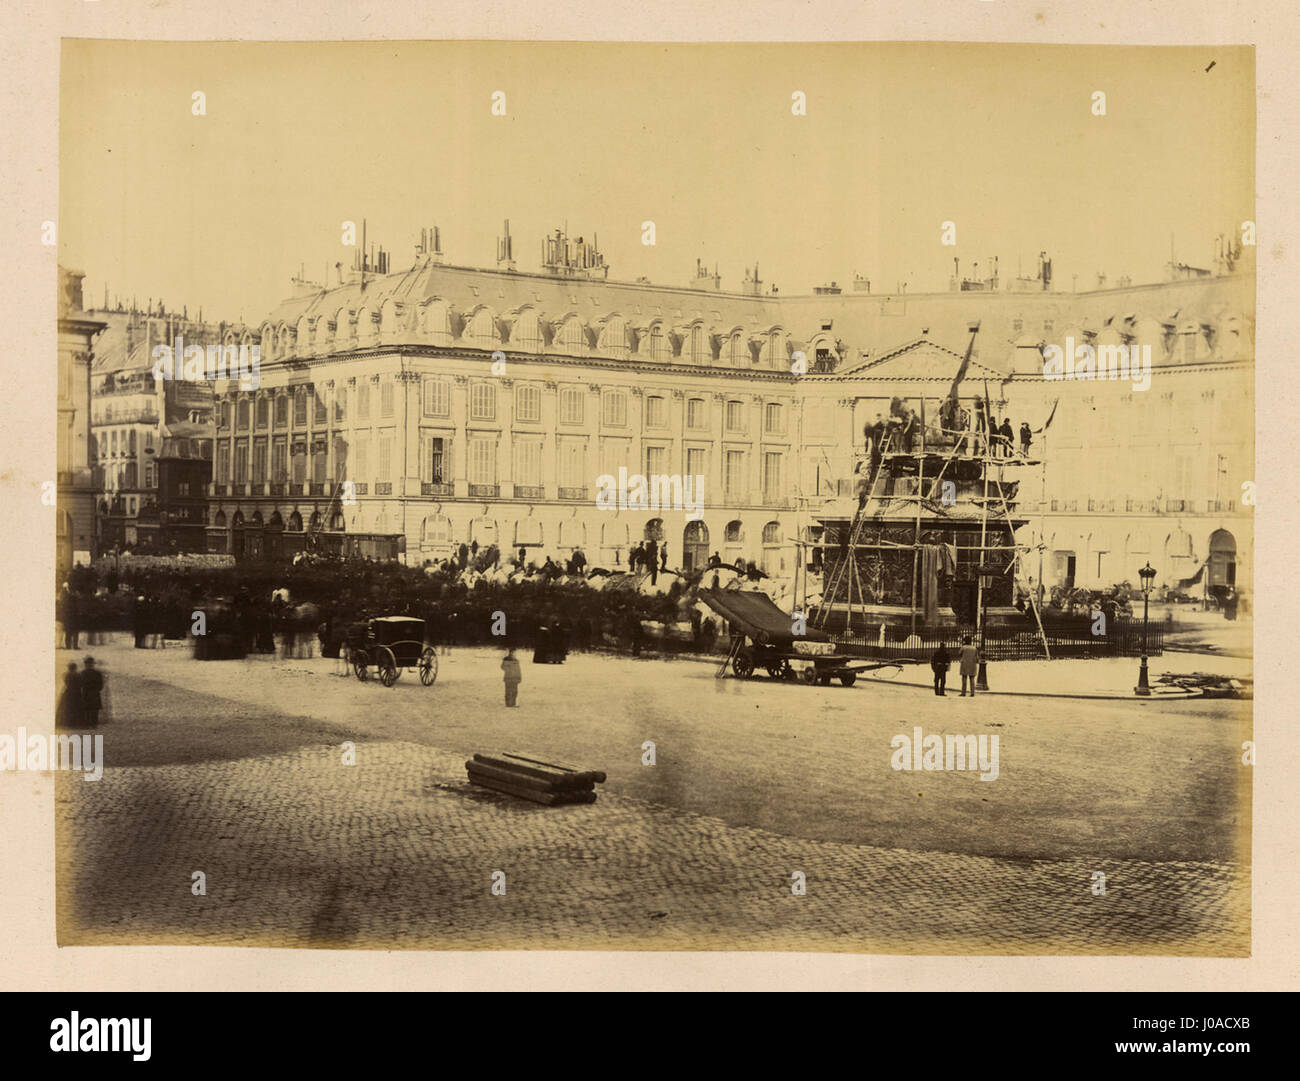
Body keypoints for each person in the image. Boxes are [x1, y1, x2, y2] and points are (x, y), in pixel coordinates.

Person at [57, 662, 84, 728]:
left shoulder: (66, 674)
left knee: (68, 708)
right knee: (76, 708)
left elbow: (66, 683)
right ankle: (76, 723)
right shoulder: (78, 675)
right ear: (75, 668)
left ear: (69, 668)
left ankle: (68, 722)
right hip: (76, 693)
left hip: (68, 692)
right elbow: (81, 684)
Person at [81, 656, 104, 727]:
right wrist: (96, 690)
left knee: (87, 709)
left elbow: (81, 684)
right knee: (95, 709)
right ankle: (94, 723)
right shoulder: (98, 673)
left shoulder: (83, 673)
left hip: (86, 693)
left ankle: (88, 723)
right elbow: (101, 685)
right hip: (95, 693)